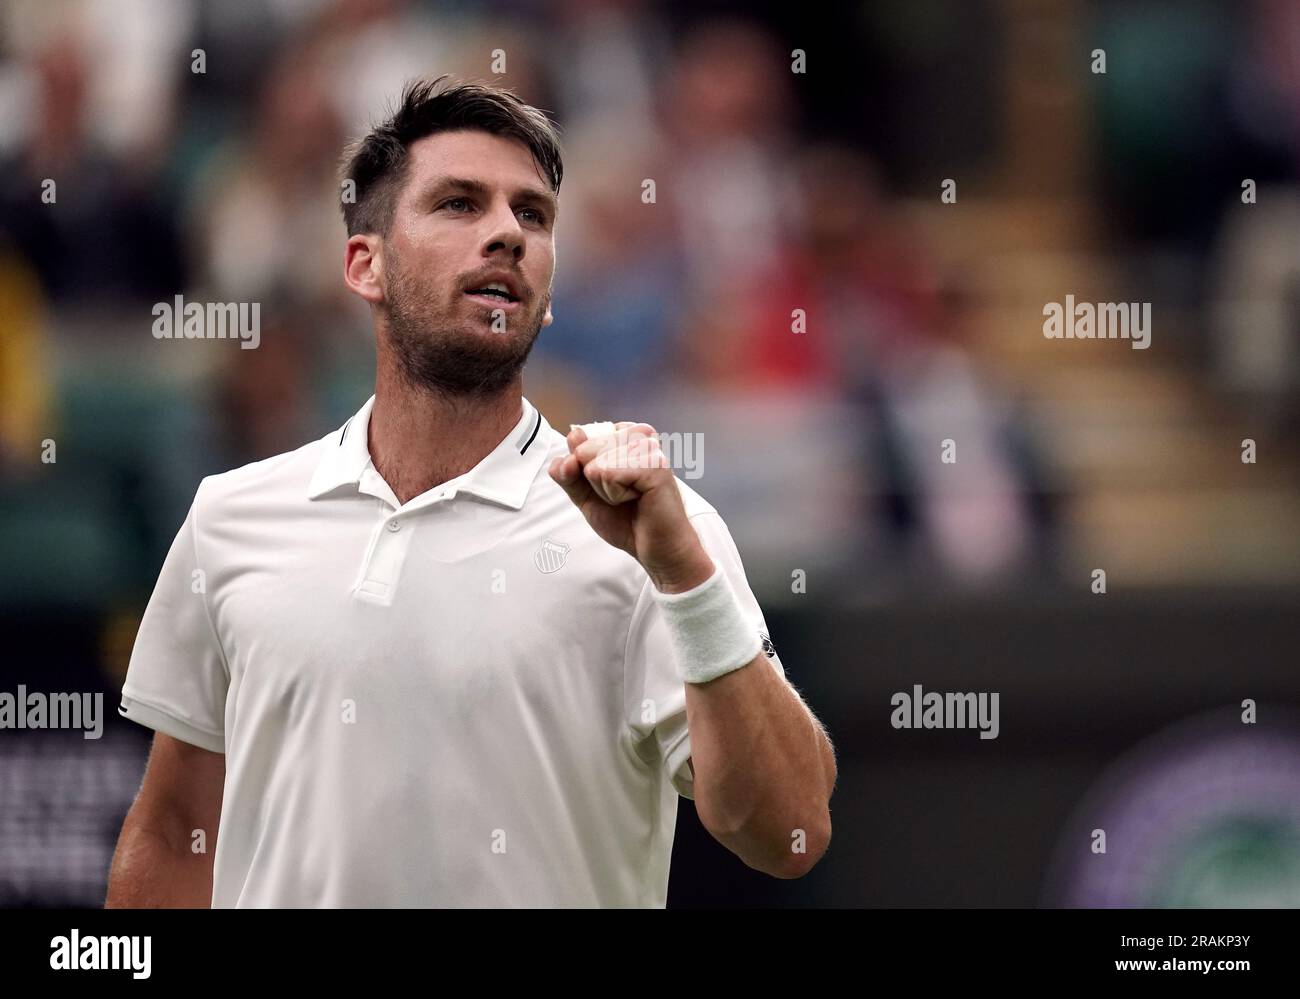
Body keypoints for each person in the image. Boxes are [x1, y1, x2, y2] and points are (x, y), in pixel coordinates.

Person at [105, 77, 836, 908]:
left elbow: (791, 831)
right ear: (365, 263)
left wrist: (686, 580)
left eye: (533, 215)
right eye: (459, 204)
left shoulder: (658, 533)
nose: (506, 234)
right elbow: (171, 834)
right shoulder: (230, 517)